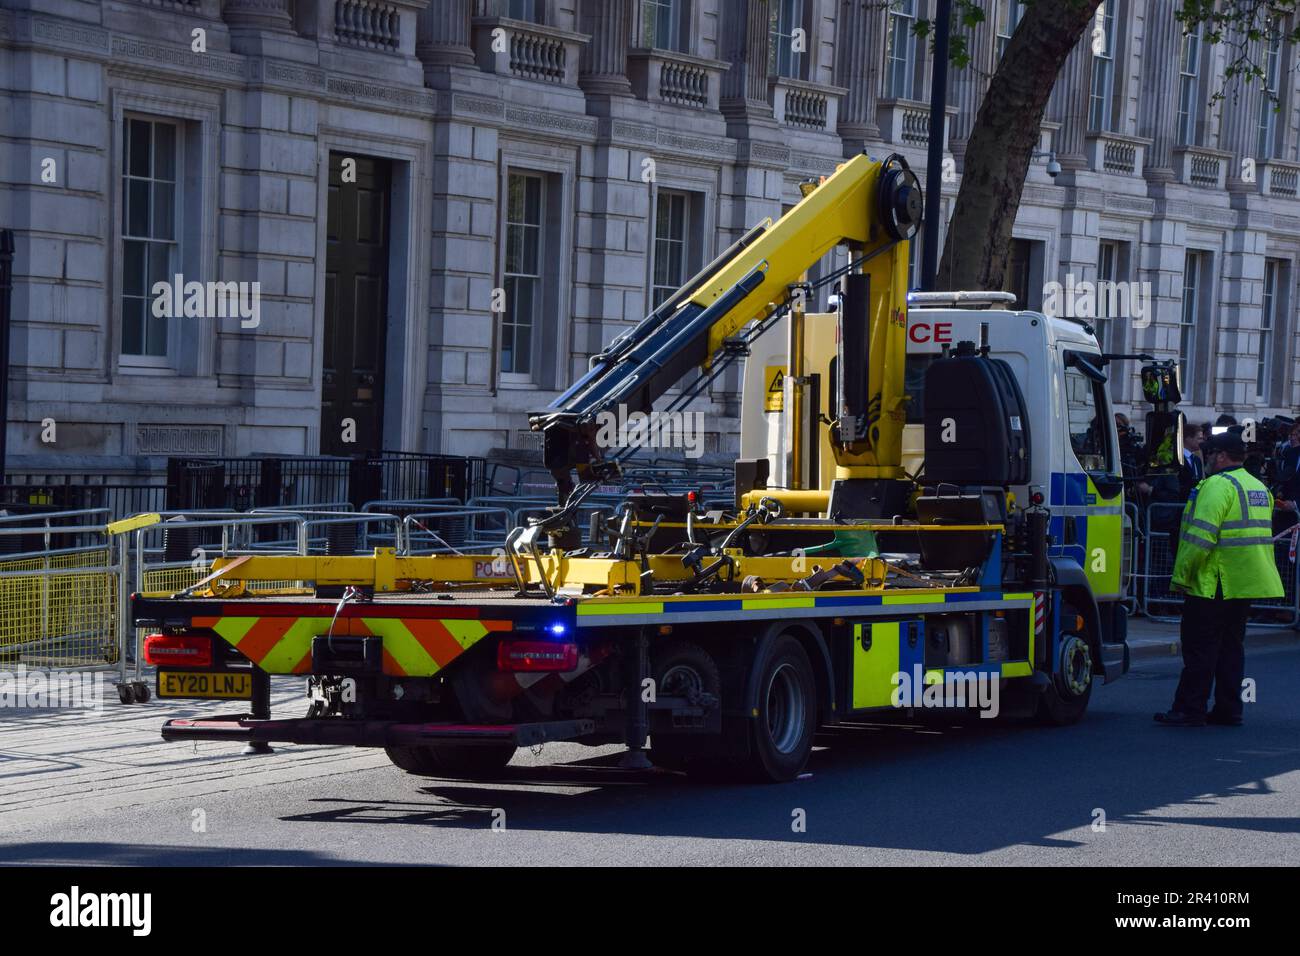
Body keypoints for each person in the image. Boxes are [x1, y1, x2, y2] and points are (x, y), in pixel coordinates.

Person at [1155, 429, 1284, 727]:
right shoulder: (1258, 487)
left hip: (1212, 582)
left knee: (1200, 648)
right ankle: (1228, 709)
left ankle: (1189, 709)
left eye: (1210, 454)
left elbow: (1199, 539)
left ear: (1222, 456)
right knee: (1231, 649)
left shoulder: (1214, 486)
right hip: (1242, 585)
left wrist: (1182, 577)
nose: (1207, 458)